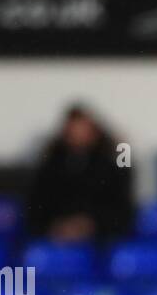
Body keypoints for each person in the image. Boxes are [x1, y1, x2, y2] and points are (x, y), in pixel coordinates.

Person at [24, 104, 133, 242]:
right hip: (56, 239)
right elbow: (36, 206)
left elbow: (121, 211)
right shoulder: (50, 167)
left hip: (100, 243)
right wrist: (57, 226)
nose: (77, 135)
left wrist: (90, 225)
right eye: (73, 130)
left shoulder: (111, 168)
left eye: (82, 130)